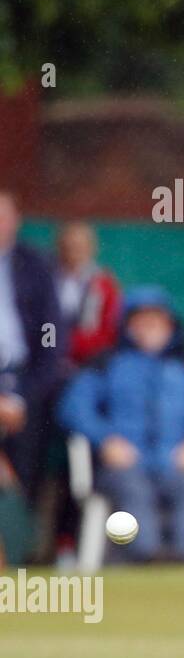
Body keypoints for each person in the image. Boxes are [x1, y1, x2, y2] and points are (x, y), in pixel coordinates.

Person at [58, 287, 184, 561]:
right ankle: (147, 560)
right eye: (142, 322)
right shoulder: (106, 364)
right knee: (134, 491)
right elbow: (74, 408)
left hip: (175, 463)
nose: (150, 329)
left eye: (157, 322)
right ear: (128, 326)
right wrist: (106, 440)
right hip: (124, 464)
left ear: (171, 326)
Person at [0, 190, 65, 497]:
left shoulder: (36, 265)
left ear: (16, 221)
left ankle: (19, 540)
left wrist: (18, 399)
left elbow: (51, 335)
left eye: (3, 217)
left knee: (22, 477)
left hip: (24, 382)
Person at [54, 220, 121, 366]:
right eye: (68, 246)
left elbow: (107, 331)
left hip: (89, 361)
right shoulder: (48, 281)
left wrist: (67, 344)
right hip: (51, 355)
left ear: (91, 248)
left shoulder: (104, 284)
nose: (73, 252)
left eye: (79, 247)